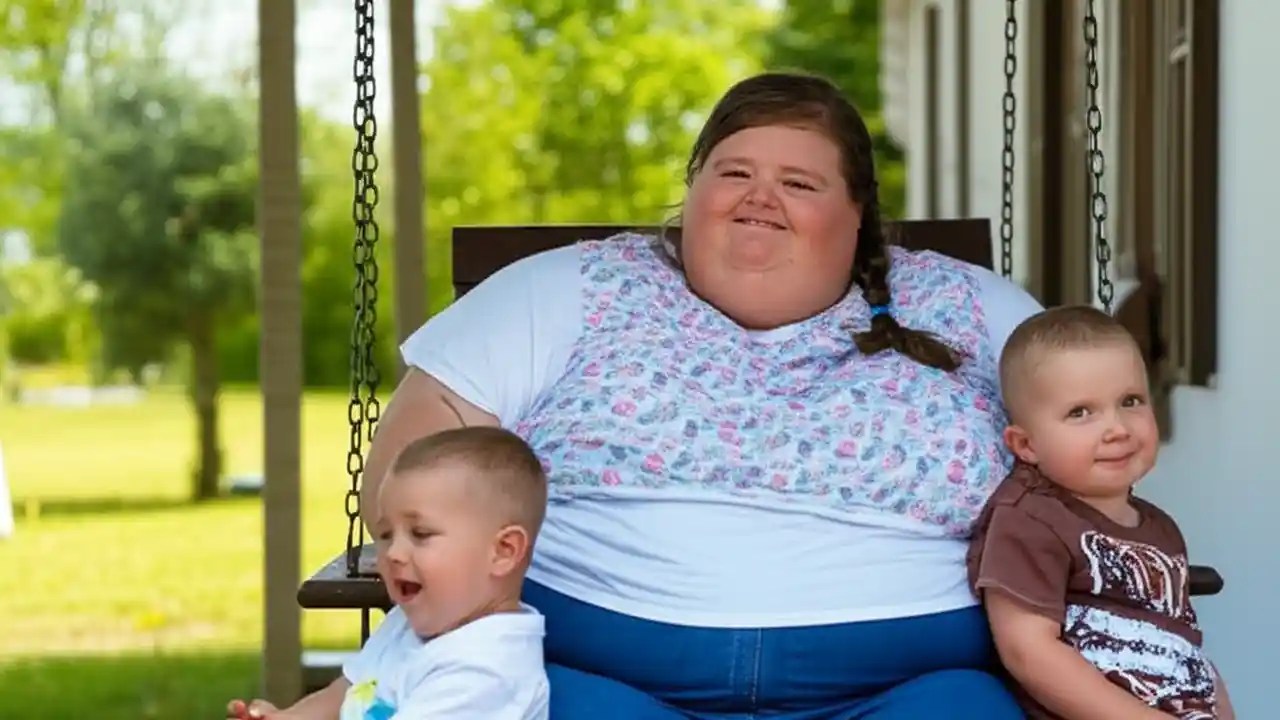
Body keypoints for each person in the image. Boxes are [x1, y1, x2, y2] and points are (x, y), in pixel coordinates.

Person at [360, 71, 1044, 719]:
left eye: (798, 182)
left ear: (857, 213)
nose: (759, 198)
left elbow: (1087, 439)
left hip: (909, 685)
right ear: (693, 190)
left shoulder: (969, 306)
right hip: (594, 677)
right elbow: (415, 458)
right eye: (734, 173)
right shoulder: (571, 289)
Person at [966, 306, 1234, 720]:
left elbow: (1183, 646)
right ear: (1026, 445)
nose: (1117, 428)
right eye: (1080, 412)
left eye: (1130, 401)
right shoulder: (1030, 520)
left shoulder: (1160, 528)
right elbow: (1028, 651)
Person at [227, 427, 550, 720]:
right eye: (386, 535)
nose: (393, 552)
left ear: (504, 551)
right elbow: (346, 693)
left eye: (420, 534)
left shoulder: (487, 671)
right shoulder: (405, 624)